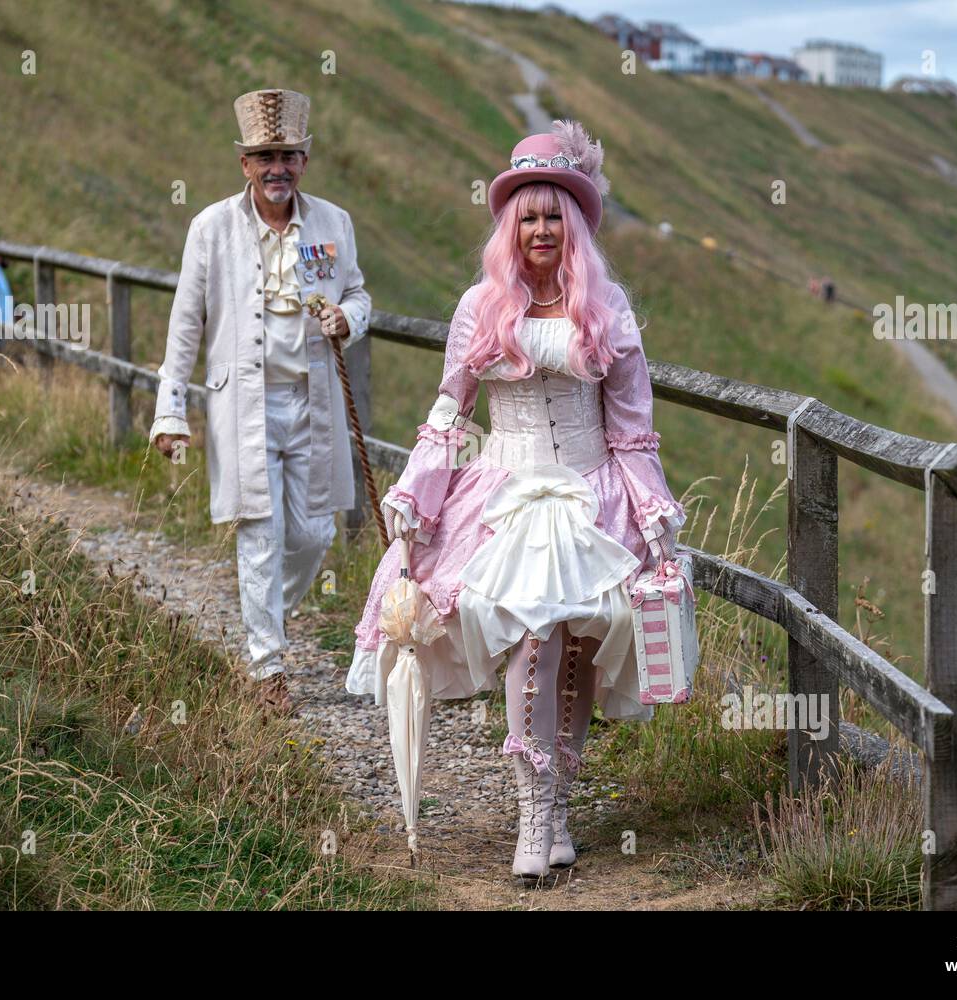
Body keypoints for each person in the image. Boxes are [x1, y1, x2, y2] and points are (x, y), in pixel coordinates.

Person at [348, 122, 685, 880]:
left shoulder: (607, 308)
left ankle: (558, 809)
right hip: (505, 496)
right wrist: (417, 497)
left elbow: (632, 432)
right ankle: (533, 815)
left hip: (591, 498)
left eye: (554, 213)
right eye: (527, 215)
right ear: (510, 225)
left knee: (573, 649)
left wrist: (656, 516)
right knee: (533, 637)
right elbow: (450, 413)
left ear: (576, 222)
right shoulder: (480, 307)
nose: (540, 228)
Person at [150, 88, 372, 714]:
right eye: (265, 156)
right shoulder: (211, 228)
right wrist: (171, 412)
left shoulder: (334, 223)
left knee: (312, 533)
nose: (278, 167)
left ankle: (261, 614)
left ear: (305, 159)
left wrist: (345, 320)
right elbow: (184, 325)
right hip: (242, 405)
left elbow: (358, 295)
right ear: (244, 163)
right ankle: (266, 665)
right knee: (261, 532)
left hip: (313, 405)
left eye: (290, 155)